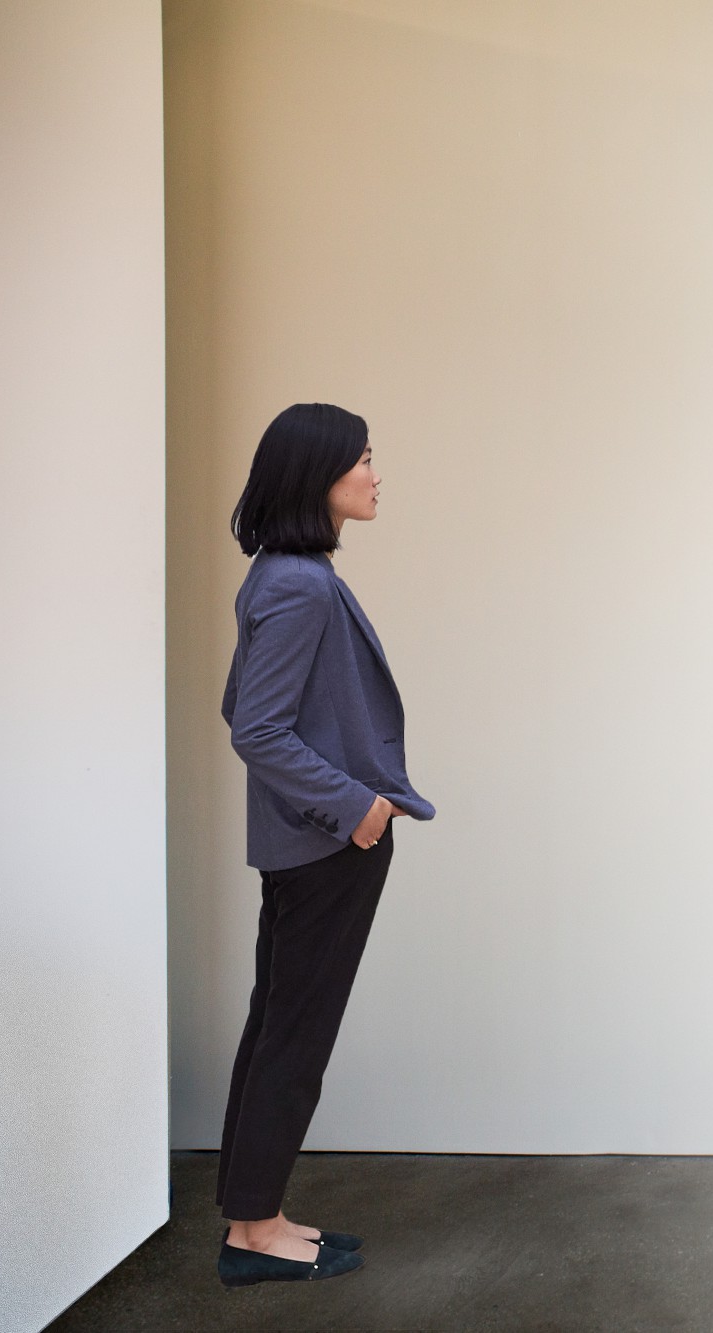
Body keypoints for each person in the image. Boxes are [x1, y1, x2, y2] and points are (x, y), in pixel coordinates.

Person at [213, 403, 435, 1287]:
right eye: (364, 459)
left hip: (304, 843)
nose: (377, 475)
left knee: (277, 1027)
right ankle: (253, 1234)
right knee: (294, 1038)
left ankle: (254, 1217)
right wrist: (356, 808)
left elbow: (239, 707)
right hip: (325, 846)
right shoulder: (300, 585)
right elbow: (257, 727)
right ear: (320, 475)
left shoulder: (281, 573)